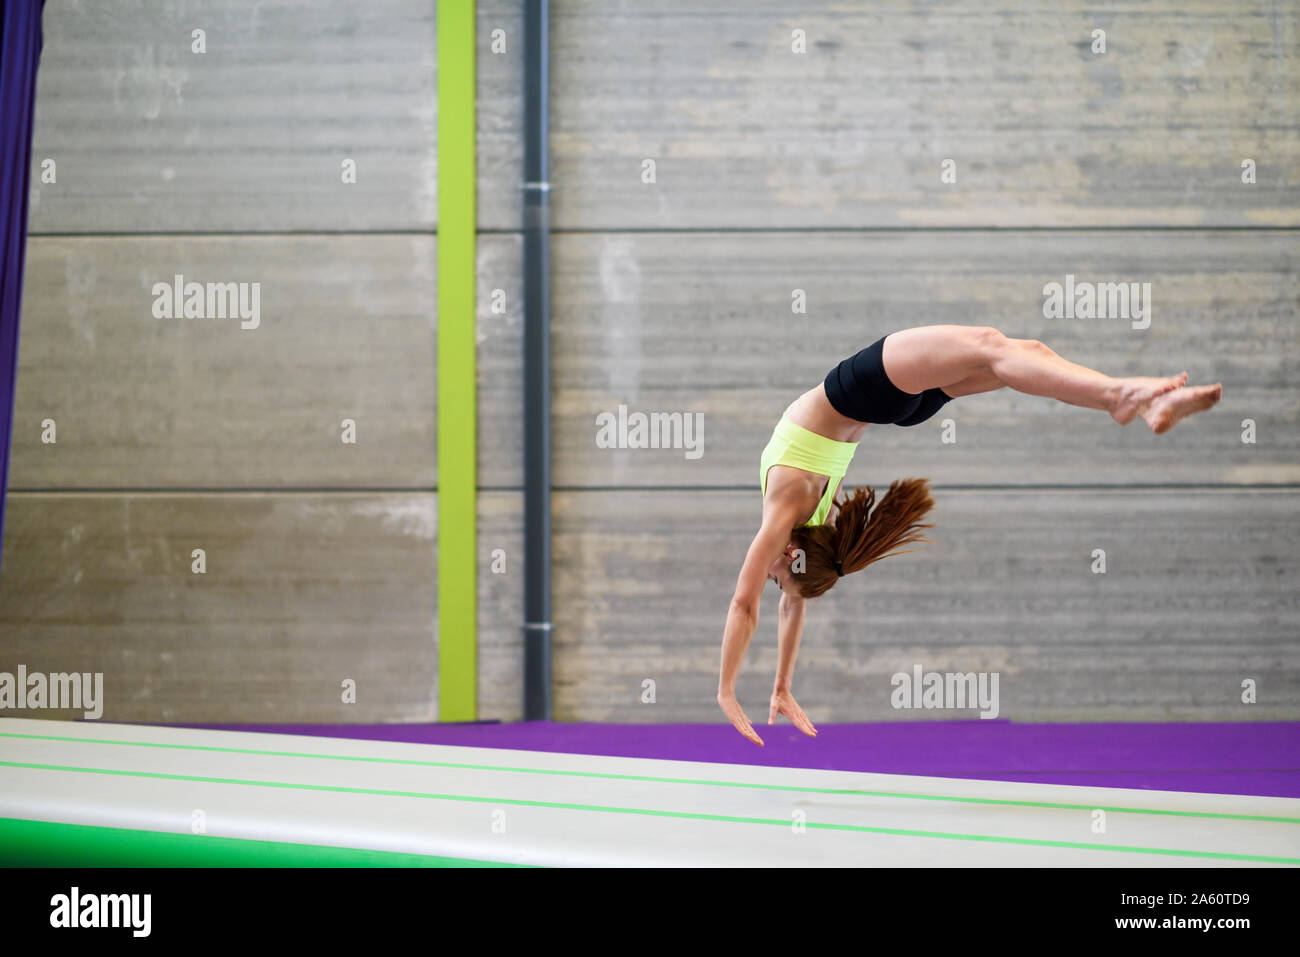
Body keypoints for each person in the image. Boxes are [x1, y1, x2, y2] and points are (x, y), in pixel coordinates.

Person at [717, 324, 1223, 746]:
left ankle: (1130, 400)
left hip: (896, 407)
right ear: (790, 555)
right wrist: (727, 689)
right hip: (869, 388)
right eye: (775, 577)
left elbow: (794, 601)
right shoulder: (787, 509)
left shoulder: (811, 522)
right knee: (995, 349)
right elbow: (748, 606)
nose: (770, 577)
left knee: (1021, 356)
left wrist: (782, 684)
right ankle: (1122, 396)